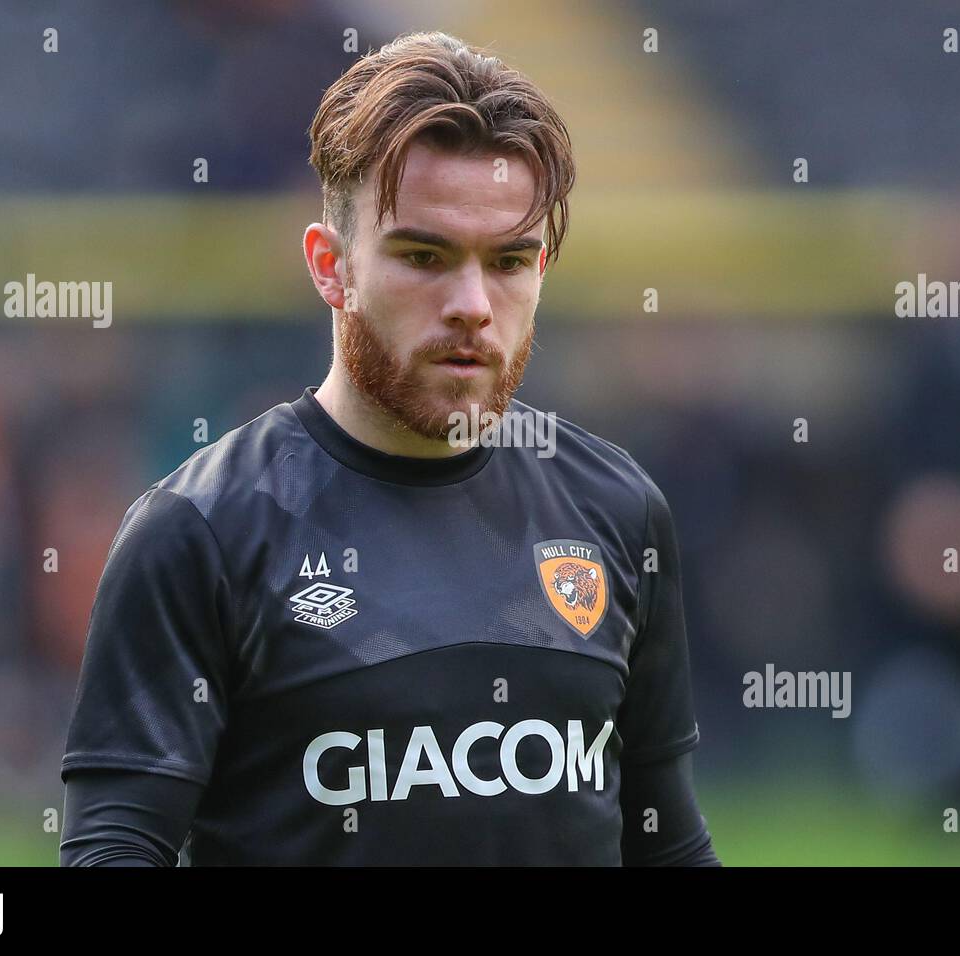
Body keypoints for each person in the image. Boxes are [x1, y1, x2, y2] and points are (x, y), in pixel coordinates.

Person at [59, 30, 719, 866]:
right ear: (331, 267)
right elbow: (113, 850)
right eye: (425, 256)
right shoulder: (202, 532)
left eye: (509, 261)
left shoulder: (617, 510)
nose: (473, 304)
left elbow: (667, 844)